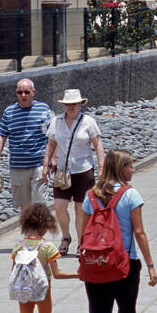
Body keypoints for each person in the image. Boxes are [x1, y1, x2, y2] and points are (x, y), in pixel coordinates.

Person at [81, 149, 156, 313]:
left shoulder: (90, 195)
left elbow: (83, 231)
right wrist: (151, 265)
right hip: (125, 264)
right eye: (130, 165)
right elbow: (140, 232)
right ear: (120, 168)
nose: (133, 169)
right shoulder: (130, 195)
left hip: (96, 263)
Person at [10, 202, 77, 313]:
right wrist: (78, 275)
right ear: (46, 225)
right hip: (42, 291)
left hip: (24, 291)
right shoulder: (47, 248)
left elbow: (13, 272)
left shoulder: (19, 246)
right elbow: (57, 274)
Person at [44, 88, 105, 256]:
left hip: (83, 170)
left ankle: (82, 242)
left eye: (74, 104)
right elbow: (51, 144)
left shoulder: (88, 122)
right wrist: (45, 165)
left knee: (80, 209)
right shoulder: (56, 121)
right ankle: (65, 236)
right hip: (63, 171)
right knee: (59, 206)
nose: (71, 107)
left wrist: (101, 169)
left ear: (80, 104)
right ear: (64, 105)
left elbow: (98, 144)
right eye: (68, 104)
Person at [0, 78, 54, 211]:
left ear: (33, 92)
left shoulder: (44, 109)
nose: (23, 95)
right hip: (18, 166)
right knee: (24, 208)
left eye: (26, 92)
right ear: (16, 93)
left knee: (40, 206)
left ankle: (38, 231)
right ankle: (29, 232)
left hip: (39, 165)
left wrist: (53, 158)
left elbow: (53, 135)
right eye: (20, 92)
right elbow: (2, 136)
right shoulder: (9, 112)